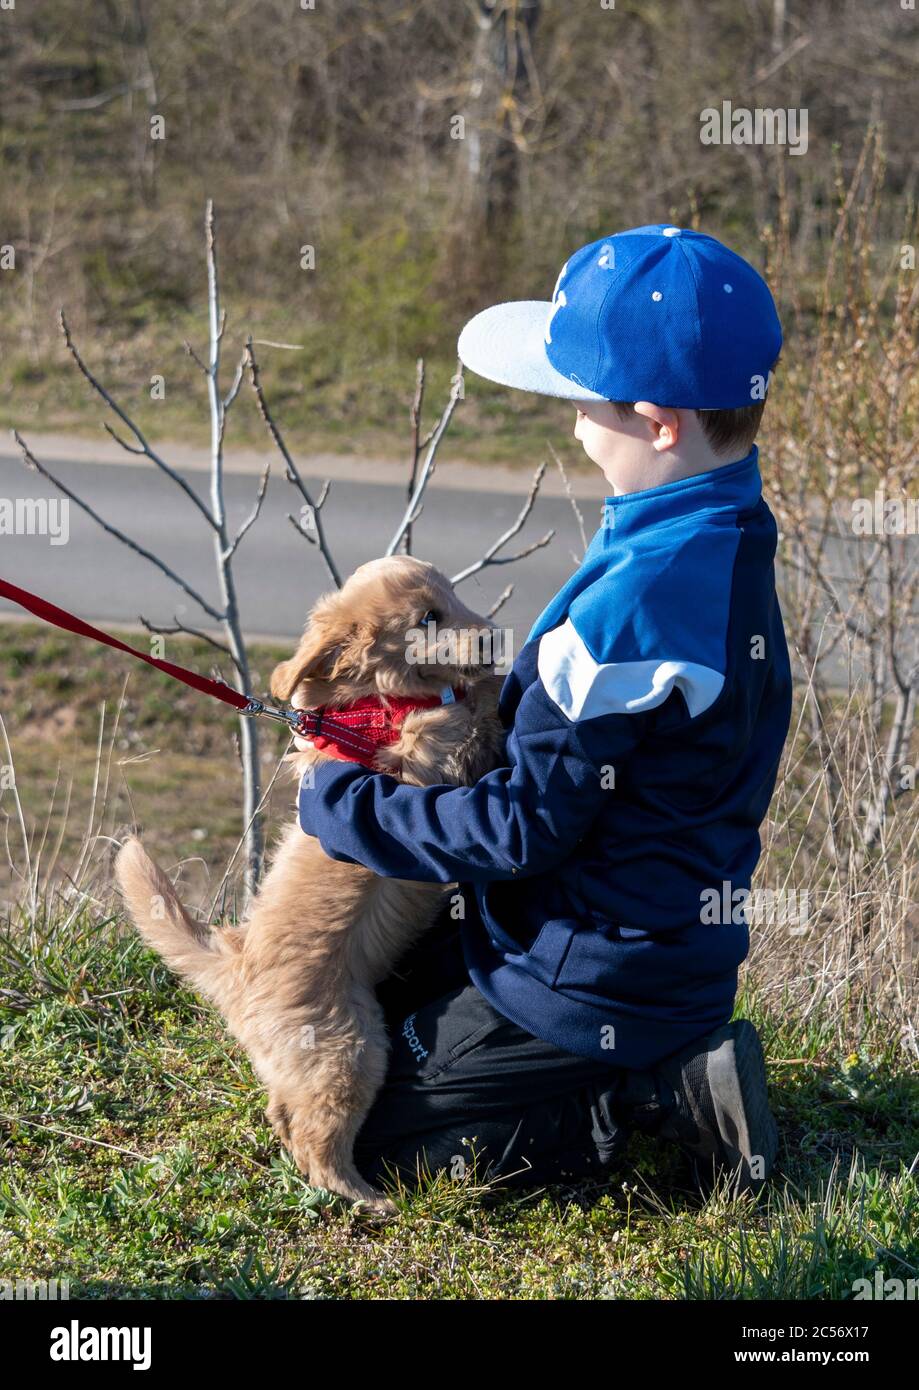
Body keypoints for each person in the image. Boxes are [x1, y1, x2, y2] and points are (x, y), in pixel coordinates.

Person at [297, 224, 792, 1198]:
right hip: (655, 940)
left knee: (390, 1148)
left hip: (590, 976)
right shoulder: (726, 530)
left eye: (580, 402)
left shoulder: (627, 608)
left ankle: (662, 1098)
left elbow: (515, 827)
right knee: (383, 999)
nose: (568, 422)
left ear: (656, 423)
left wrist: (340, 803)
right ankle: (649, 1053)